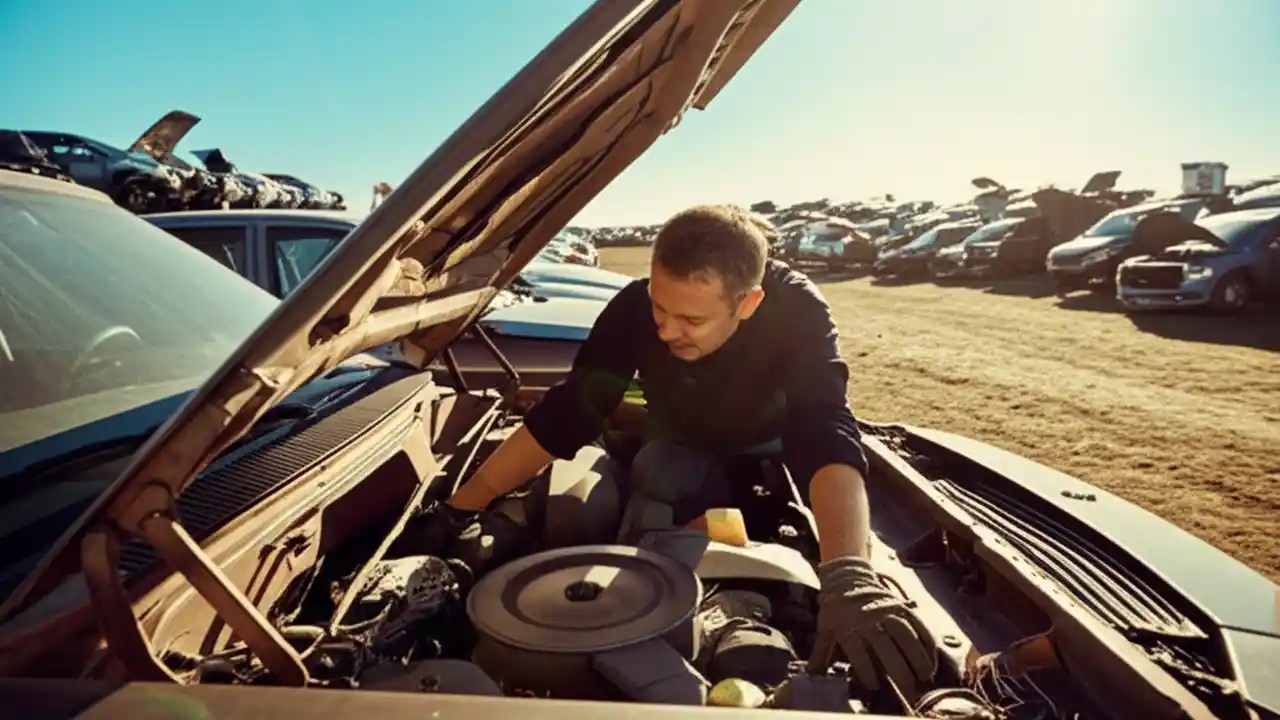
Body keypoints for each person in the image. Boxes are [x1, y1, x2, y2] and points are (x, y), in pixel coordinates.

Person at [436, 204, 936, 694]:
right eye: (660, 307)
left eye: (691, 320)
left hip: (762, 457)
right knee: (660, 473)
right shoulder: (633, 306)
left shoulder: (796, 310)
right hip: (673, 446)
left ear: (748, 304)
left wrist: (848, 572)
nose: (666, 331)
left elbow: (822, 424)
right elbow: (574, 409)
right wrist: (464, 505)